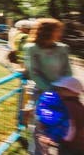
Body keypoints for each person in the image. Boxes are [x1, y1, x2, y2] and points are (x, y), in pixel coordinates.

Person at [24, 18, 72, 155]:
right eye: (58, 30)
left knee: (62, 122)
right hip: (41, 91)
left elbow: (67, 71)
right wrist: (51, 91)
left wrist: (65, 88)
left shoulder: (63, 49)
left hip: (62, 92)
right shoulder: (32, 49)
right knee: (39, 123)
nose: (60, 33)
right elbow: (34, 73)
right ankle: (36, 152)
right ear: (47, 31)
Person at [53, 76, 84, 154]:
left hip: (69, 148)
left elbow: (70, 129)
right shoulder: (79, 105)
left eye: (62, 89)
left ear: (71, 91)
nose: (58, 91)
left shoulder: (66, 106)